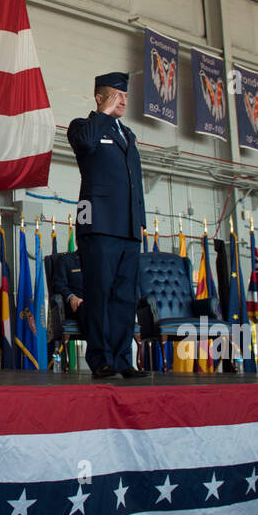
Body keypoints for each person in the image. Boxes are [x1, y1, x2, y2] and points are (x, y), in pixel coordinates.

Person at [67, 72, 148, 379]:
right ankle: (100, 358)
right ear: (100, 98)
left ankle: (122, 358)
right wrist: (102, 115)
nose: (123, 100)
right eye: (116, 95)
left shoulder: (127, 134)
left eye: (125, 96)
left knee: (125, 296)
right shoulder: (83, 127)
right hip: (99, 223)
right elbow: (86, 146)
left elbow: (134, 183)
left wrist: (138, 221)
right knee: (99, 293)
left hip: (128, 227)